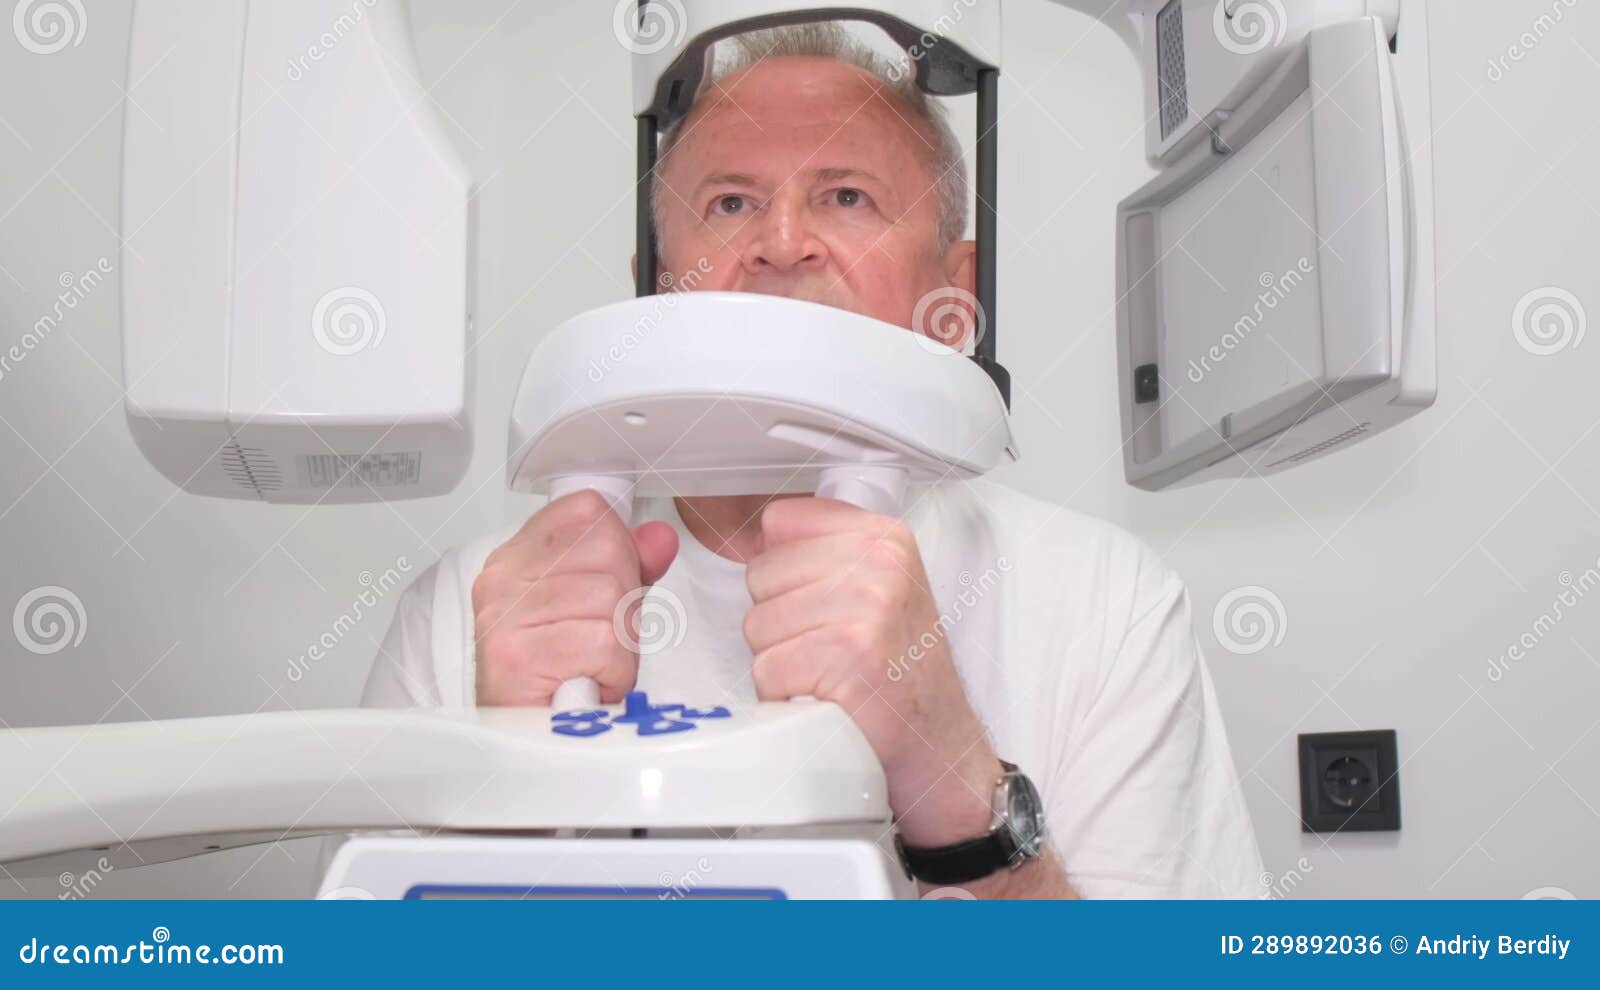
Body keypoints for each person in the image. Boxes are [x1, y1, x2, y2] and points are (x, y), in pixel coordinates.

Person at [364, 23, 1265, 899]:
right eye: (729, 203)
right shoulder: (470, 615)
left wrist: (950, 777)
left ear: (952, 288)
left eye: (845, 196)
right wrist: (495, 804)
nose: (783, 241)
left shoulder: (1103, 605)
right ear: (652, 286)